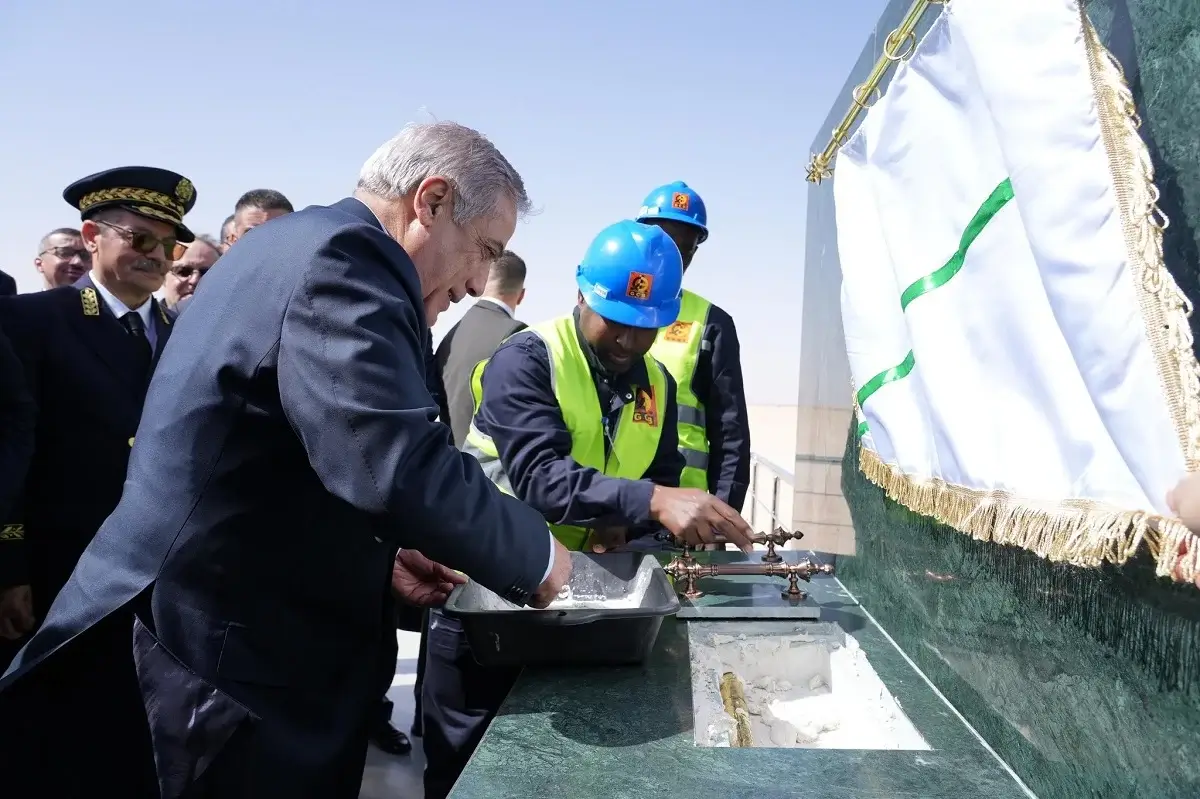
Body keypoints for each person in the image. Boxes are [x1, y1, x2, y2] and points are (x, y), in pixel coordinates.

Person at [0, 121, 570, 799]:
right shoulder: (347, 260)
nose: (480, 280)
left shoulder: (303, 244)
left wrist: (380, 558)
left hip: (232, 646)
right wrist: (543, 560)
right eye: (485, 249)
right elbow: (393, 463)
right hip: (214, 670)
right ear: (433, 200)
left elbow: (285, 453)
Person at [421, 220, 755, 799]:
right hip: (489, 605)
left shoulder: (655, 384)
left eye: (646, 328)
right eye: (617, 322)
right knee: (469, 774)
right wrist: (651, 501)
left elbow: (662, 471)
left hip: (584, 609)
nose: (629, 342)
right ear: (581, 295)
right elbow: (540, 479)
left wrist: (626, 520)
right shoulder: (526, 359)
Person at [0, 166, 194, 794]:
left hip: (155, 577)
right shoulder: (30, 323)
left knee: (130, 738)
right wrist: (9, 567)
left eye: (169, 245)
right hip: (60, 573)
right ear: (91, 236)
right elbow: (9, 456)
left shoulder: (181, 336)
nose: (156, 256)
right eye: (140, 239)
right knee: (48, 739)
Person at [636, 182, 751, 518]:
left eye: (684, 248)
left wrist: (721, 519)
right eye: (662, 244)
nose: (672, 257)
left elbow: (731, 436)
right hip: (613, 509)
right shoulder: (605, 310)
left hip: (684, 518)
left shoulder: (711, 324)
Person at [435, 250, 528, 446]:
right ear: (521, 296)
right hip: (489, 470)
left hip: (447, 463)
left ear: (482, 280)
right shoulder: (517, 336)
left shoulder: (450, 337)